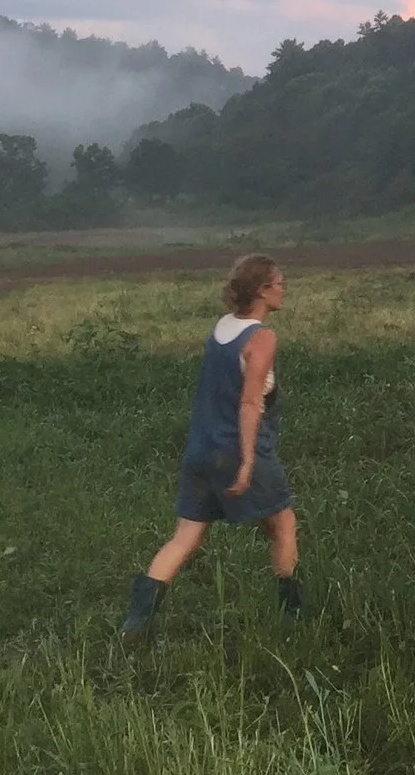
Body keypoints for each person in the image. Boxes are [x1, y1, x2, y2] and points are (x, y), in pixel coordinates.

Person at [122, 253, 301, 640]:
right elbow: (250, 403)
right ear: (263, 290)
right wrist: (248, 463)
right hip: (235, 448)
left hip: (200, 449)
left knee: (186, 536)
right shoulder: (262, 337)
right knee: (284, 524)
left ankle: (138, 621)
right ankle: (294, 618)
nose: (285, 289)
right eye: (280, 283)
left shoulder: (221, 329)